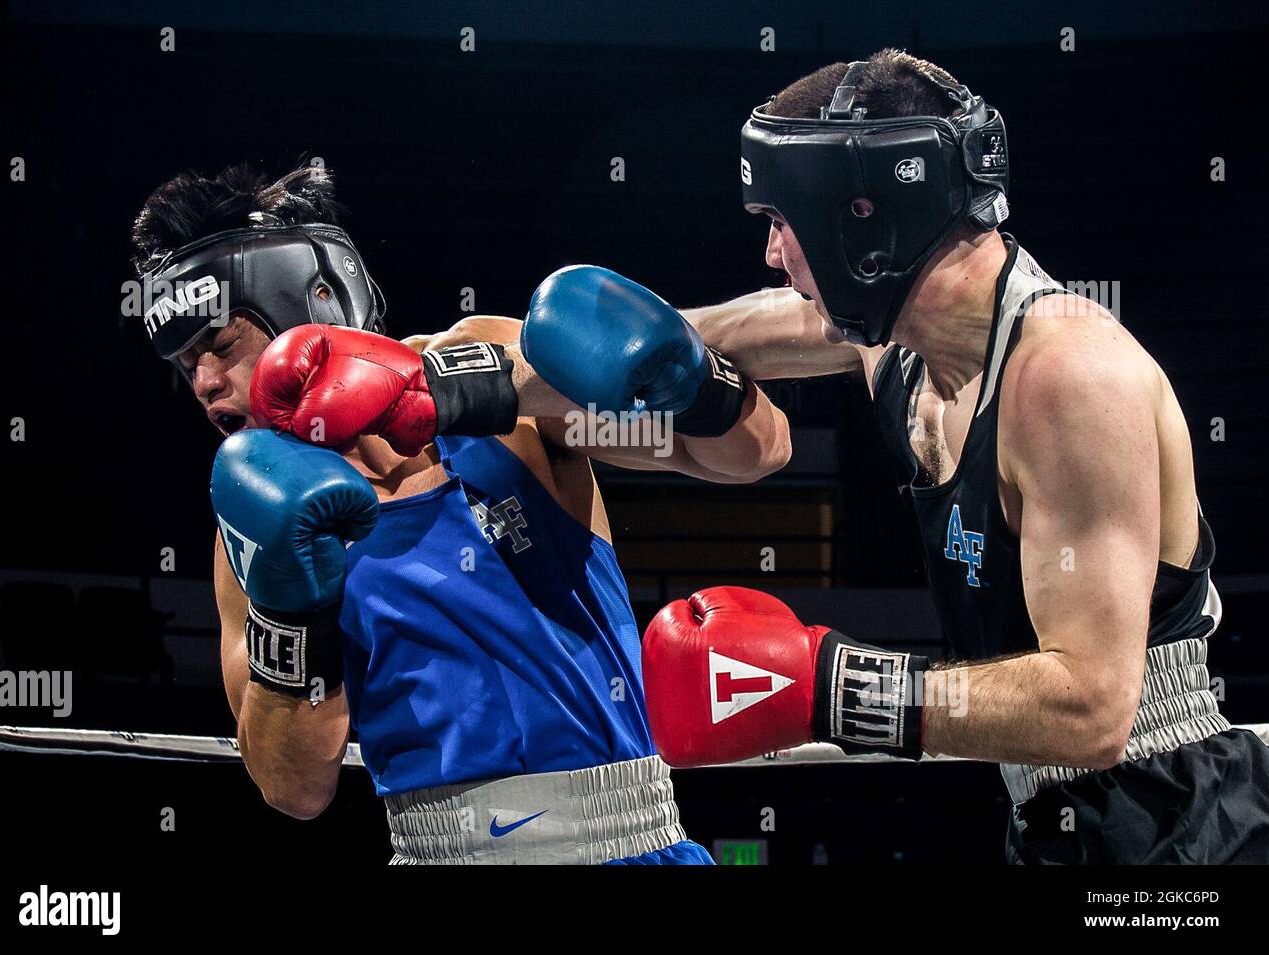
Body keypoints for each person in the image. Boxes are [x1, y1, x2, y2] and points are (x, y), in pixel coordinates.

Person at [604, 49, 1269, 863]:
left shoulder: (1069, 378)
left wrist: (830, 689)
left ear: (859, 220)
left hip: (1177, 816)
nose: (773, 255)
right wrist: (476, 380)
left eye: (782, 221)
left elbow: (1095, 709)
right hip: (1051, 813)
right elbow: (703, 332)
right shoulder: (899, 345)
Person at [130, 163, 791, 863]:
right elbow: (293, 787)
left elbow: (753, 450)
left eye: (222, 345)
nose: (203, 383)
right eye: (185, 363)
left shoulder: (483, 371)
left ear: (311, 300)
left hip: (628, 837)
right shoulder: (251, 526)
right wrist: (293, 614)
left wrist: (694, 379)